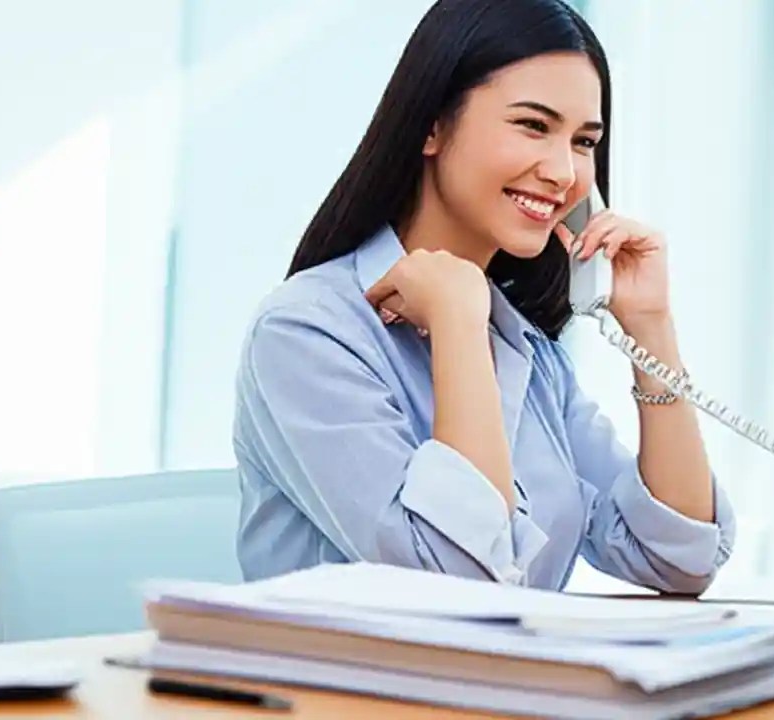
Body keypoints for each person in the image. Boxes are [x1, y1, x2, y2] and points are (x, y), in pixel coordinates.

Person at [232, 0, 736, 593]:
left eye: (583, 141)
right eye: (533, 125)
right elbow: (461, 587)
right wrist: (457, 326)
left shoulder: (526, 350)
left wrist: (650, 327)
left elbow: (680, 557)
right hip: (351, 687)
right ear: (431, 125)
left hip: (515, 685)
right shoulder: (304, 333)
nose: (563, 171)